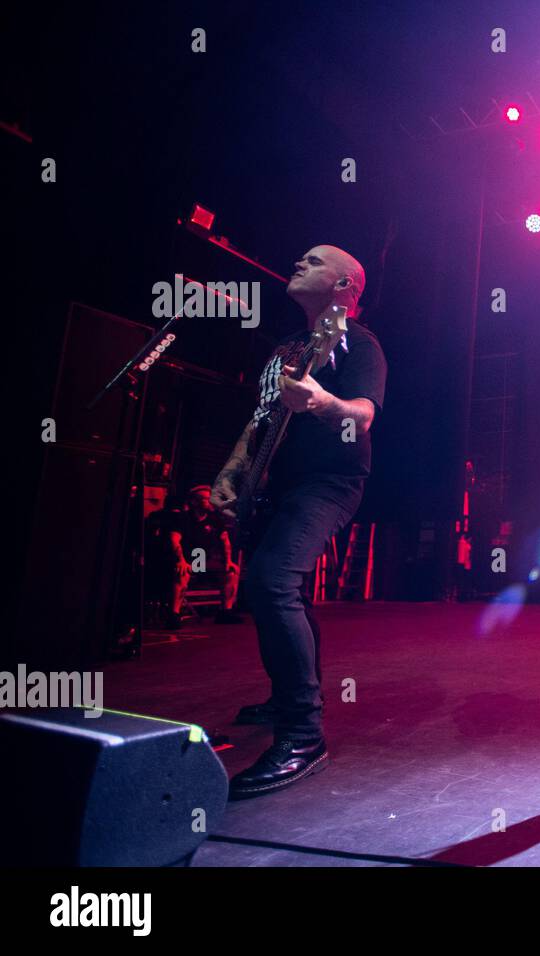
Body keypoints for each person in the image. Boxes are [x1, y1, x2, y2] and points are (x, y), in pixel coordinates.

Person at [211, 244, 387, 799]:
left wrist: (322, 401)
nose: (297, 263)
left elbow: (363, 413)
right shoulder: (286, 348)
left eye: (313, 261)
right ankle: (290, 695)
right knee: (275, 590)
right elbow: (260, 419)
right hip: (274, 484)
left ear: (344, 286)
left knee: (272, 582)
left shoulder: (357, 343)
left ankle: (303, 736)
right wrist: (233, 470)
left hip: (329, 482)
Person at [157, 484, 242, 629]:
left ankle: (225, 612)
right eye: (206, 499)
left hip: (201, 558)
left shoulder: (214, 518)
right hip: (186, 557)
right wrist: (181, 561)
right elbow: (174, 540)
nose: (210, 502)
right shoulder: (182, 518)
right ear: (194, 502)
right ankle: (174, 614)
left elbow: (225, 540)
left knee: (232, 571)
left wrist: (228, 561)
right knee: (183, 573)